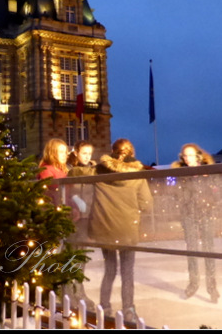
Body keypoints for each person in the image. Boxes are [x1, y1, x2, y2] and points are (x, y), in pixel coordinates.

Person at [87, 138, 153, 324]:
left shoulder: (99, 169)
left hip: (104, 227)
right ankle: (128, 309)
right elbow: (147, 204)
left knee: (110, 270)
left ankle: (104, 306)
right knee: (127, 272)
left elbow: (77, 173)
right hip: (127, 229)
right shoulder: (137, 173)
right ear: (131, 152)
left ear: (113, 151)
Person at [171, 143, 219, 303]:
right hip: (189, 215)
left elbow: (217, 190)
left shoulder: (207, 171)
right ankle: (193, 285)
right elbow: (175, 192)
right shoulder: (181, 173)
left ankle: (212, 287)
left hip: (206, 213)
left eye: (190, 155)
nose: (188, 158)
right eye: (185, 156)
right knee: (192, 250)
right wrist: (182, 199)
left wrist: (210, 194)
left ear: (197, 156)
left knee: (208, 250)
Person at [64, 140, 97, 311]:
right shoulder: (69, 170)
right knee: (72, 255)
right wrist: (75, 202)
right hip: (74, 217)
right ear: (76, 152)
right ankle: (71, 291)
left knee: (82, 256)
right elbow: (68, 192)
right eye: (84, 153)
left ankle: (79, 290)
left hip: (87, 217)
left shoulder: (94, 170)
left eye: (89, 153)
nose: (87, 156)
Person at [37, 138, 70, 205]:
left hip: (66, 204)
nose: (64, 155)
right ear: (52, 153)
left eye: (65, 152)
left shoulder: (64, 169)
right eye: (61, 152)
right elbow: (53, 188)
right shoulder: (45, 169)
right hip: (54, 206)